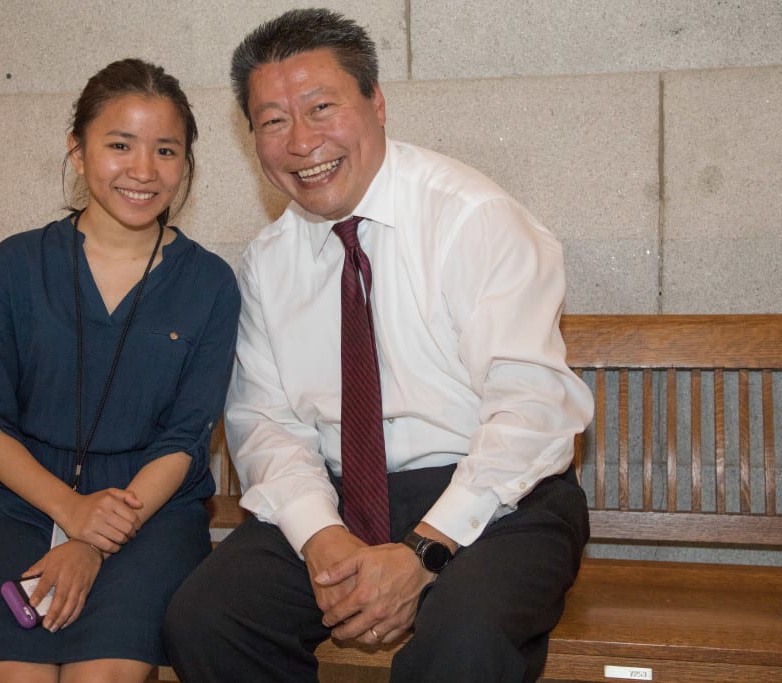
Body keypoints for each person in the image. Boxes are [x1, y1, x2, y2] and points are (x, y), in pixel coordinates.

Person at [164, 8, 593, 683]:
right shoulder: (266, 262)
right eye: (273, 121)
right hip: (342, 498)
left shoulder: (472, 218)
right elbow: (263, 424)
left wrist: (425, 549)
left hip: (498, 495)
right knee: (206, 617)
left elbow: (531, 410)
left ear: (377, 102)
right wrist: (321, 533)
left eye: (320, 107)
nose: (302, 142)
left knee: (463, 640)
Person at [0, 58, 240, 682]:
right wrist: (69, 512)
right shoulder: (14, 266)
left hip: (150, 515)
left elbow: (186, 442)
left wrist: (92, 538)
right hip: (26, 504)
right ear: (78, 152)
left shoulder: (209, 284)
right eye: (119, 145)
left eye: (166, 150)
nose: (143, 170)